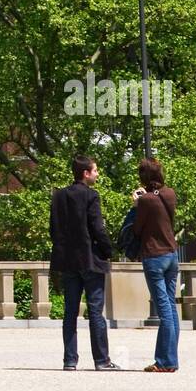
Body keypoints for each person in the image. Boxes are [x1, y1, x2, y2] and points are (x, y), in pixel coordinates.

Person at [50, 156, 120, 371]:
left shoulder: (59, 196)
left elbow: (53, 229)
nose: (97, 174)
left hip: (67, 260)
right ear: (86, 173)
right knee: (95, 312)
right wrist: (108, 251)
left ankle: (70, 360)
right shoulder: (91, 196)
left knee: (70, 312)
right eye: (95, 170)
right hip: (90, 260)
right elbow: (97, 228)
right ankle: (102, 360)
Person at [132, 158, 179, 373]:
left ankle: (164, 361)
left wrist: (136, 204)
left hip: (154, 257)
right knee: (171, 307)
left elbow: (138, 229)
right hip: (171, 254)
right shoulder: (170, 194)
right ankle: (170, 359)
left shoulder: (145, 201)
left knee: (164, 311)